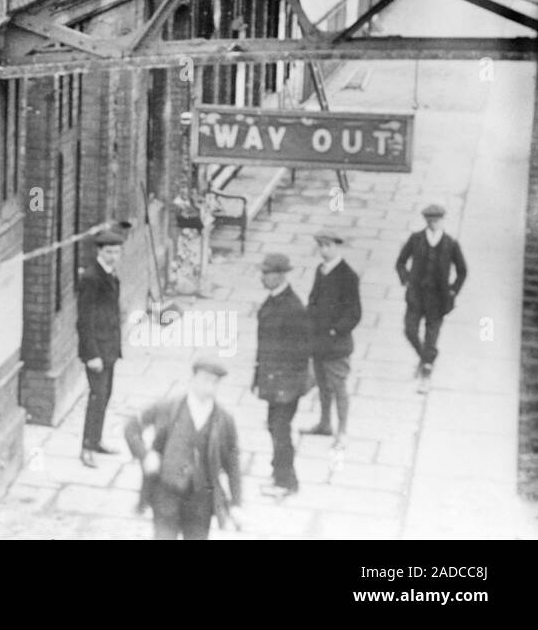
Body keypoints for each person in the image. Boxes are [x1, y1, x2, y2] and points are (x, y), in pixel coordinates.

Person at [125, 357, 243, 540]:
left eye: (214, 382)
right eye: (205, 379)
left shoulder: (224, 420)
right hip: (166, 493)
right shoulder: (168, 407)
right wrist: (145, 455)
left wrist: (236, 503)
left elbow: (233, 463)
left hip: (200, 502)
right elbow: (132, 427)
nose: (209, 386)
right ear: (193, 379)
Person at [253, 253, 311, 499]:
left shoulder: (292, 308)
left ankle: (286, 482)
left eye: (266, 273)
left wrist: (282, 384)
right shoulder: (275, 300)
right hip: (274, 380)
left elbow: (301, 351)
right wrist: (258, 379)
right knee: (275, 427)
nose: (262, 277)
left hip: (286, 383)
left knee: (280, 429)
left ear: (279, 275)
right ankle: (280, 473)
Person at [395, 204, 468, 390]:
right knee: (410, 330)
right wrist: (405, 279)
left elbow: (462, 271)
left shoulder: (450, 244)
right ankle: (426, 359)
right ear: (426, 221)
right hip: (416, 296)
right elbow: (401, 262)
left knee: (431, 338)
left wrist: (453, 290)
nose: (433, 224)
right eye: (430, 221)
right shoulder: (416, 239)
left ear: (442, 220)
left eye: (436, 220)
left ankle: (426, 376)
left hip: (438, 300)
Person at [304, 230, 362, 446]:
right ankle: (325, 423)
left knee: (338, 387)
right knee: (322, 384)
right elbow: (313, 300)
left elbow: (354, 313)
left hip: (336, 344)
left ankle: (343, 430)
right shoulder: (321, 270)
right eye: (321, 246)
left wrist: (335, 330)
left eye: (328, 245)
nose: (324, 250)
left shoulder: (348, 276)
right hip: (318, 341)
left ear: (338, 246)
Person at [76, 226, 125, 467]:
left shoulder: (111, 274)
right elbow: (84, 320)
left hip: (109, 349)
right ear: (99, 251)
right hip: (97, 351)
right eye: (108, 252)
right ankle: (87, 447)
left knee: (105, 395)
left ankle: (96, 440)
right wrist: (92, 354)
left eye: (116, 252)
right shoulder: (91, 278)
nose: (113, 256)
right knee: (97, 396)